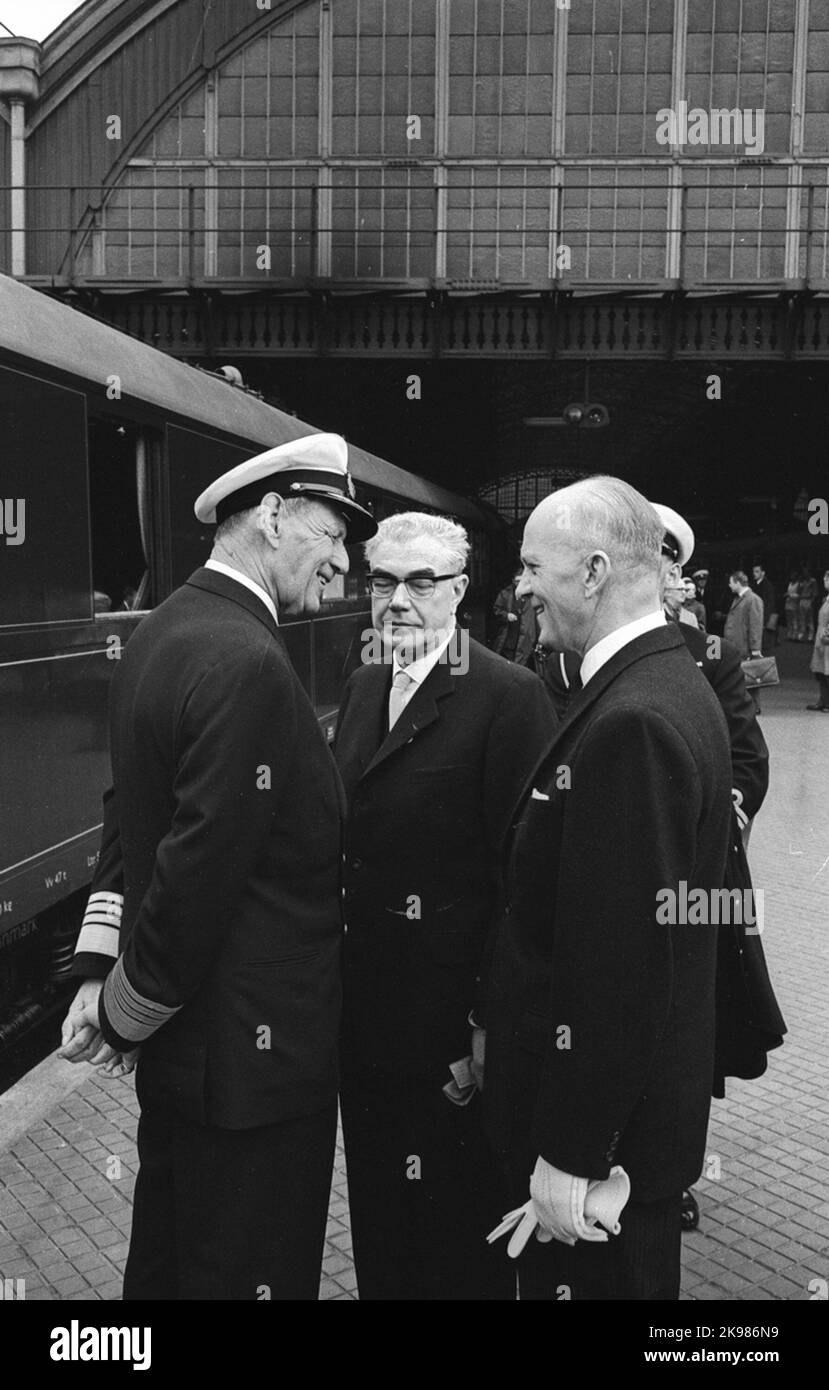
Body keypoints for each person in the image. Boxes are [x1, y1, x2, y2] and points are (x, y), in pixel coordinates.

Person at [59, 434, 377, 1301]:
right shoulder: (249, 660)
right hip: (254, 1073)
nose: (344, 562)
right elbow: (200, 869)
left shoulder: (164, 629)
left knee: (169, 1263)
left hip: (191, 1063)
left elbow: (127, 815)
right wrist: (126, 1012)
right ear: (273, 518)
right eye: (332, 532)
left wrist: (101, 973)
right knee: (246, 1273)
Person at [481, 476, 732, 1301]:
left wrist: (573, 1152)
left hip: (601, 1160)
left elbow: (620, 967)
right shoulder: (666, 684)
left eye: (529, 566)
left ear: (590, 573)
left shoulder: (630, 720)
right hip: (631, 1137)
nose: (518, 587)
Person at [334, 512, 556, 1300]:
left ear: (459, 591)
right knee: (382, 1233)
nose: (396, 599)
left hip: (447, 1046)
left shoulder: (508, 696)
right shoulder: (364, 685)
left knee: (456, 1246)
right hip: (365, 1032)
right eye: (382, 580)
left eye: (419, 582)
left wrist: (485, 1023)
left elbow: (522, 887)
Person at [653, 507, 786, 1233]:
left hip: (701, 886)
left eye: (662, 568)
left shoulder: (709, 657)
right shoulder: (553, 660)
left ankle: (673, 1171)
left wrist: (701, 823)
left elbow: (748, 763)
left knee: (691, 1022)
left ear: (673, 578)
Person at [491, 569, 538, 665]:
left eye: (522, 581)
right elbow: (496, 609)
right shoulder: (505, 594)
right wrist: (506, 615)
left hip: (526, 640)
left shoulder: (533, 596)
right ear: (513, 581)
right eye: (517, 581)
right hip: (508, 637)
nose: (519, 584)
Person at [808, 569, 829, 710]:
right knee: (821, 672)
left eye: (827, 580)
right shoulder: (826, 598)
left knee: (828, 672)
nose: (825, 582)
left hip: (827, 639)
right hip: (822, 639)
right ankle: (823, 700)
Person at [751, 563, 778, 653]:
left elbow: (769, 605)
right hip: (756, 617)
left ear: (763, 573)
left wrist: (764, 621)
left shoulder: (767, 586)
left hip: (763, 619)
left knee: (764, 646)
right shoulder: (754, 584)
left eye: (757, 571)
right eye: (754, 571)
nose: (754, 573)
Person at [800, 568, 818, 643]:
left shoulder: (813, 581)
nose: (805, 573)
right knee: (802, 619)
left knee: (810, 620)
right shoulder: (803, 581)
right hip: (802, 600)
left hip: (808, 600)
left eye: (806, 572)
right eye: (804, 572)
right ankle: (802, 635)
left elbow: (815, 592)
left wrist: (812, 601)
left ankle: (810, 637)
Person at [785, 572, 802, 641]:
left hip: (794, 604)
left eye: (793, 576)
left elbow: (799, 595)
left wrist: (790, 595)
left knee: (795, 620)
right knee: (789, 621)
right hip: (788, 604)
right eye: (791, 576)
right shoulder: (790, 583)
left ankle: (795, 636)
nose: (792, 577)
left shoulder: (798, 584)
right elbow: (788, 592)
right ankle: (789, 635)